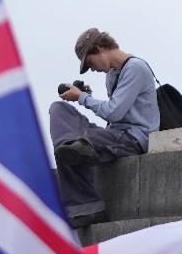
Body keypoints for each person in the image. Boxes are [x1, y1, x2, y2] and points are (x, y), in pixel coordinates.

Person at [55, 28, 160, 225]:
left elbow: (114, 112)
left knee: (72, 146)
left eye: (90, 62)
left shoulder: (135, 68)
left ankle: (85, 204)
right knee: (58, 109)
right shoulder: (112, 74)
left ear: (100, 49)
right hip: (113, 135)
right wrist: (87, 96)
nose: (92, 69)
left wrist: (83, 98)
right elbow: (115, 111)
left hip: (133, 138)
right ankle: (74, 153)